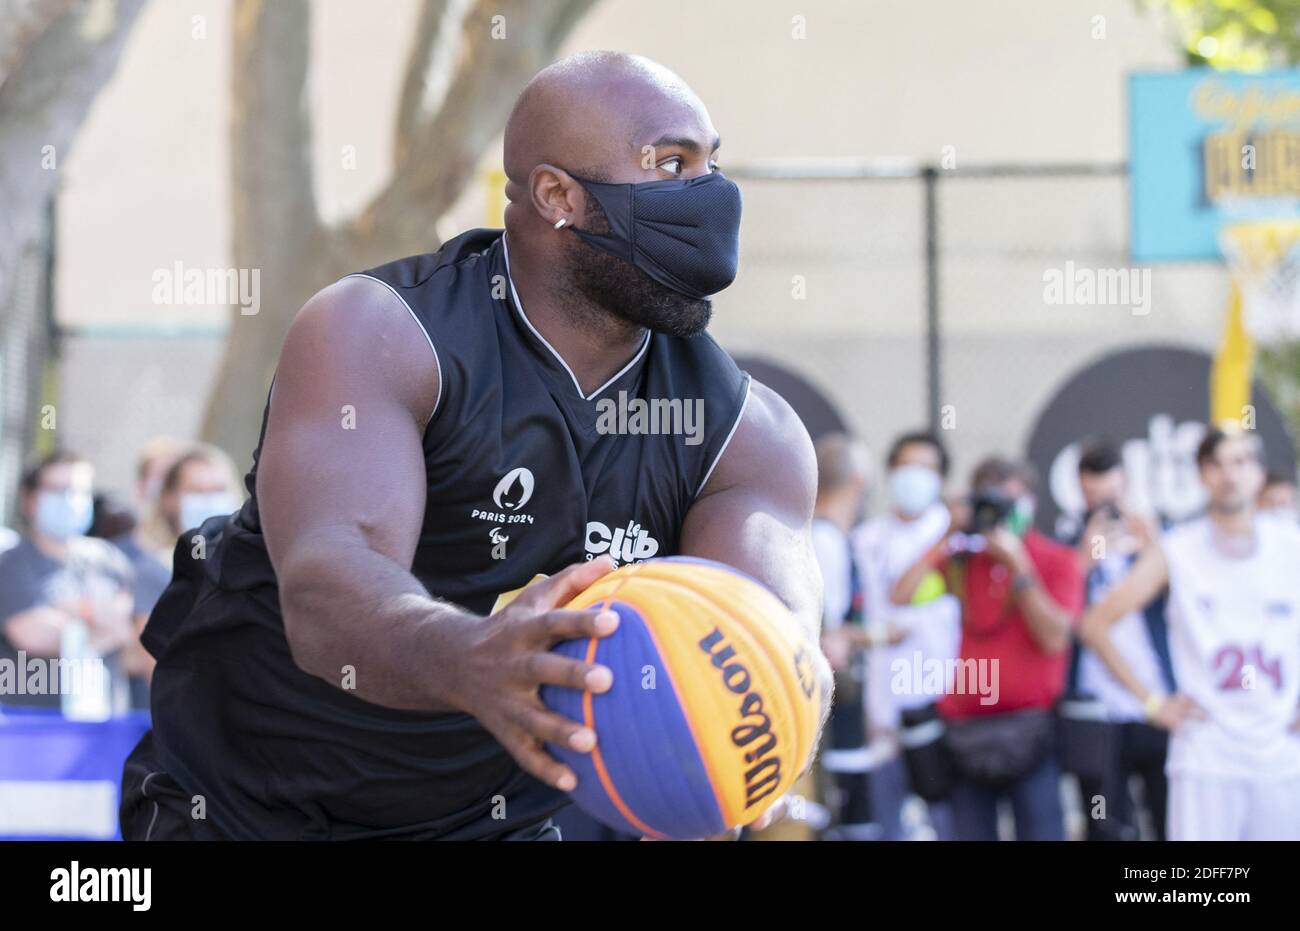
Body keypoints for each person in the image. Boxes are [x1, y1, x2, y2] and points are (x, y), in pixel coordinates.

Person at [119, 51, 831, 841]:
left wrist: (773, 712)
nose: (710, 196)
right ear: (559, 195)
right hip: (244, 807)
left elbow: (772, 637)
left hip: (490, 825)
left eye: (712, 164)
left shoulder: (746, 433)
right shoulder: (382, 332)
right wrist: (477, 655)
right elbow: (326, 590)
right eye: (671, 163)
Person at [1081, 428, 1300, 840]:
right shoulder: (1177, 550)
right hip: (1206, 757)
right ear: (1201, 475)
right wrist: (1151, 702)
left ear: (1258, 472)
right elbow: (1095, 624)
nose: (1229, 475)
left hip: (1280, 757)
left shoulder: (1291, 546)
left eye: (1241, 462)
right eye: (1217, 464)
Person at [892, 456, 1083, 841]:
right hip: (965, 737)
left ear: (1029, 503)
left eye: (1007, 503)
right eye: (988, 503)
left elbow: (1055, 637)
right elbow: (901, 594)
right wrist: (946, 536)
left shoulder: (1057, 560)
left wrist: (1020, 568)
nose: (997, 514)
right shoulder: (962, 562)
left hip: (1031, 733)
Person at [1062, 438, 1172, 841]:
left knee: (1170, 819)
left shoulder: (1155, 537)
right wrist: (1081, 561)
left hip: (1157, 702)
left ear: (1125, 484)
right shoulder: (1067, 543)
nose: (1105, 507)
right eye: (1095, 498)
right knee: (1106, 824)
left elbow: (1187, 606)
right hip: (1096, 709)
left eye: (1111, 496)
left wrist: (1155, 549)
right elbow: (1059, 621)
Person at [855, 430, 959, 840]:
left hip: (944, 708)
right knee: (890, 825)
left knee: (945, 822)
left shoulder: (957, 535)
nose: (915, 477)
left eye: (926, 468)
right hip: (883, 709)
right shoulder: (865, 540)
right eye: (906, 466)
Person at [0, 451, 135, 711]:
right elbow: (33, 635)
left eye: (80, 491)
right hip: (31, 725)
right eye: (58, 490)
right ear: (28, 499)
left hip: (101, 720)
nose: (71, 500)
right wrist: (95, 615)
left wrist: (67, 610)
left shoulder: (109, 560)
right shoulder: (11, 563)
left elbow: (126, 632)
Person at [810, 432, 875, 839]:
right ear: (857, 478)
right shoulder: (824, 539)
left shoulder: (829, 536)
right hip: (830, 706)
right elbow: (826, 634)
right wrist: (881, 636)